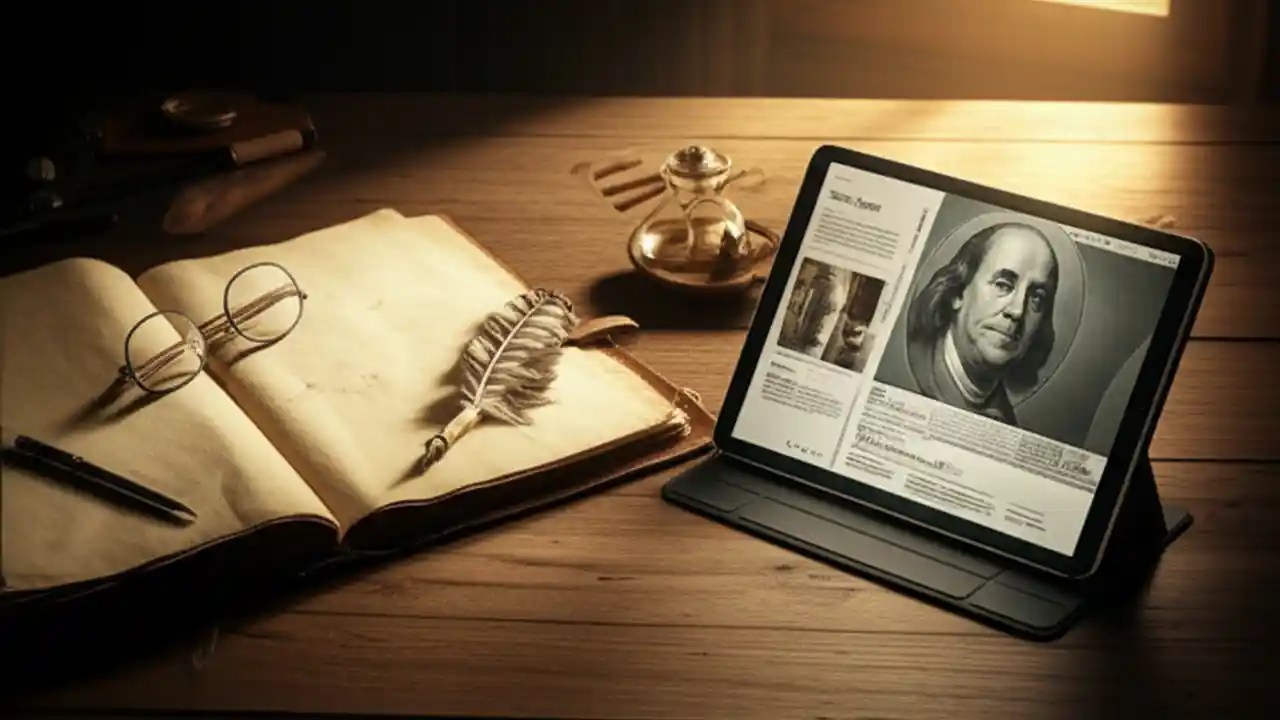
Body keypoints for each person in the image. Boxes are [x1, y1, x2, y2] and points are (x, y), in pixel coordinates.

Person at [905, 221, 1059, 426]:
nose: (1017, 311)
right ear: (959, 292)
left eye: (1036, 298)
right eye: (1003, 285)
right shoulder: (913, 382)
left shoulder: (1005, 420)